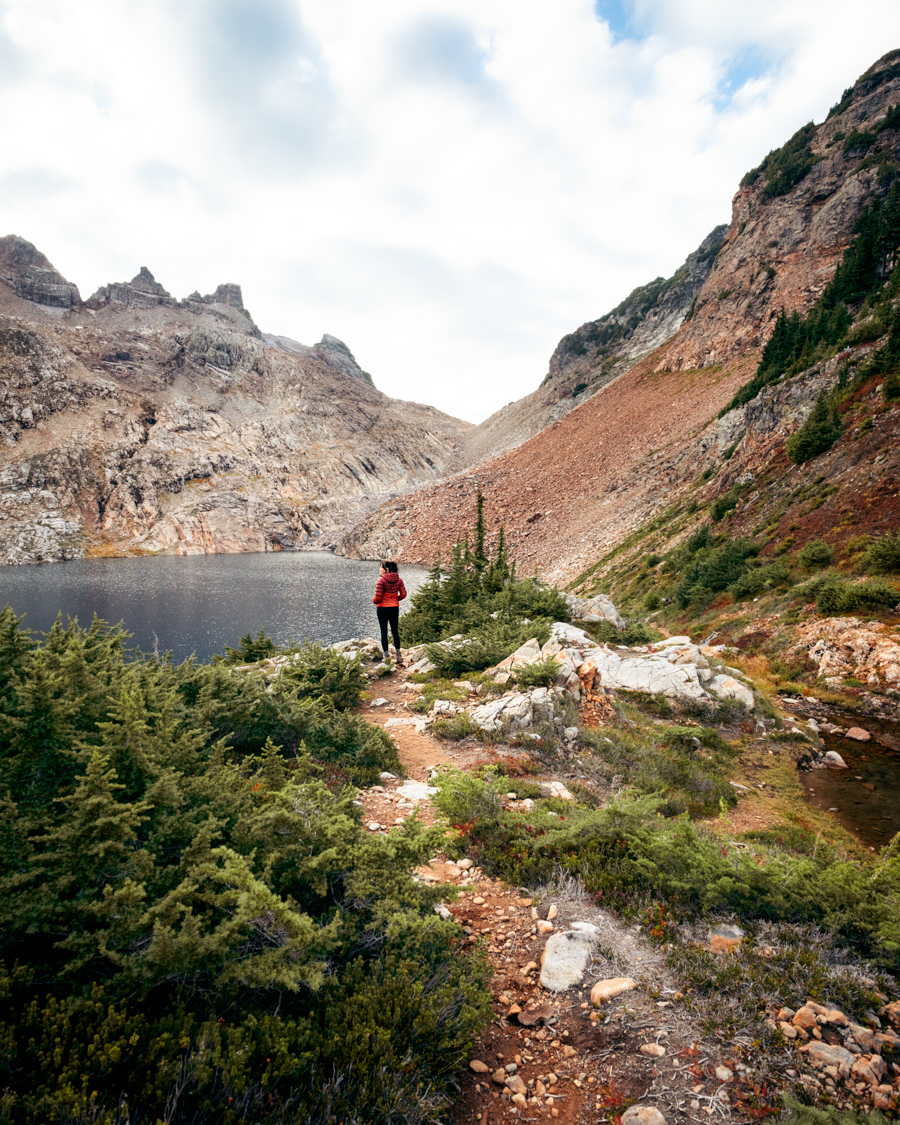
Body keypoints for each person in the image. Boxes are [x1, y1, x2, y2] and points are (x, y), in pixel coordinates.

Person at [373, 560, 406, 666]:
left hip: (382, 608)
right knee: (395, 631)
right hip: (394, 608)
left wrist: (374, 601)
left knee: (383, 631)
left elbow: (378, 597)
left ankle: (387, 656)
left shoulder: (381, 580)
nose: (379, 569)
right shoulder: (399, 580)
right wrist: (394, 599)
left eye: (381, 567)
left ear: (386, 569)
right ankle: (398, 655)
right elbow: (404, 594)